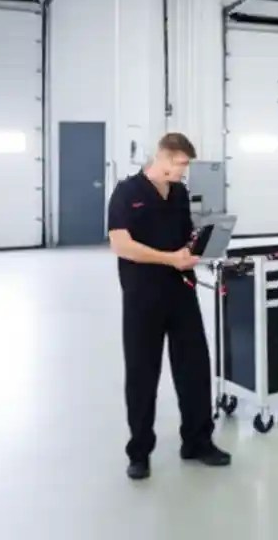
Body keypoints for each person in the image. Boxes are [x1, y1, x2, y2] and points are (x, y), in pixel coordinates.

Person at [107, 132, 230, 480]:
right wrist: (169, 259)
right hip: (142, 297)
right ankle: (139, 452)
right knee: (142, 374)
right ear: (161, 157)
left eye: (186, 165)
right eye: (180, 163)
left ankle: (197, 441)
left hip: (181, 292)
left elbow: (183, 237)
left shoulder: (179, 193)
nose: (183, 170)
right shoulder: (127, 193)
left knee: (194, 368)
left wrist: (198, 250)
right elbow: (121, 245)